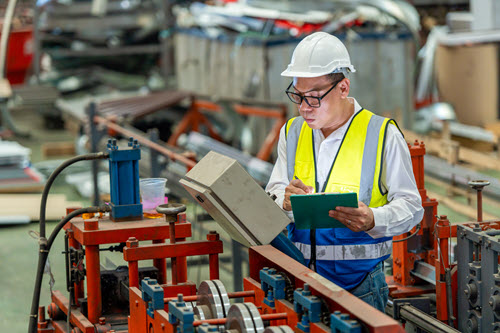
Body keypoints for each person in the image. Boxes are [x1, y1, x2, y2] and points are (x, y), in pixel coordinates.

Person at [265, 32, 424, 312]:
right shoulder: (291, 133)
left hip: (359, 287)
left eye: (314, 98)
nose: (304, 108)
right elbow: (273, 193)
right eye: (297, 96)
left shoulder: (381, 135)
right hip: (299, 280)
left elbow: (412, 208)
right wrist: (284, 200)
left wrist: (374, 218)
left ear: (343, 88)